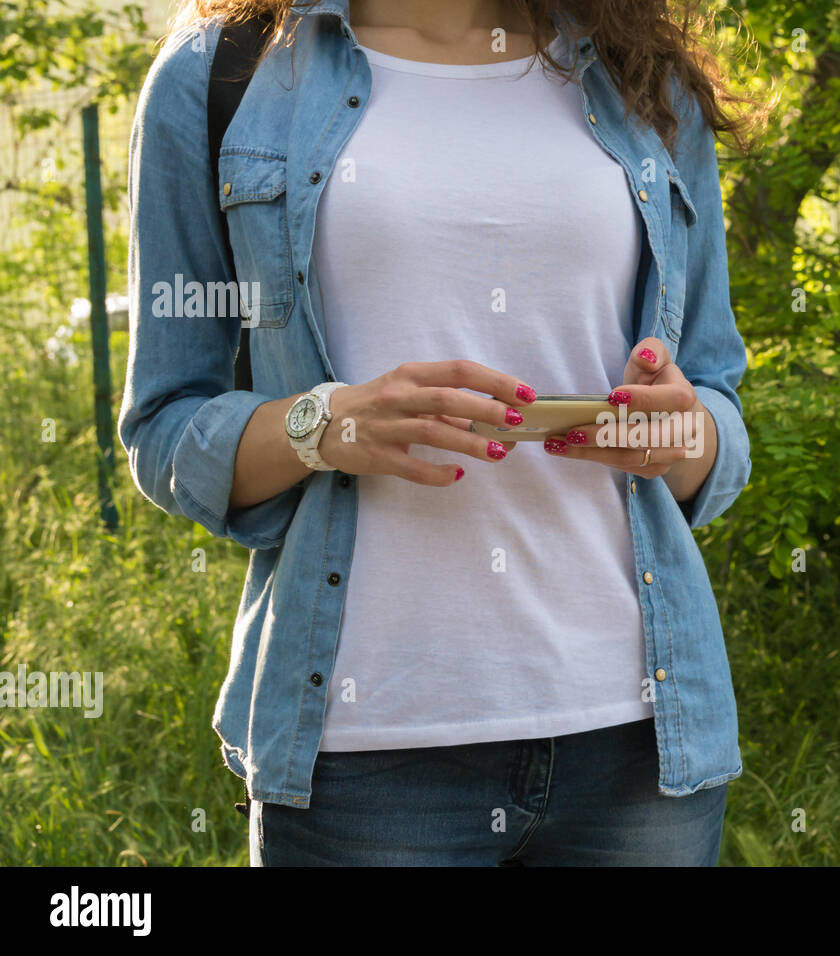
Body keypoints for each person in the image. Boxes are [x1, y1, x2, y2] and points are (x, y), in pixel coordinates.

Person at [119, 0, 753, 865]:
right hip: (362, 754)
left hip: (639, 742)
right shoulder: (222, 73)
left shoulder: (640, 70)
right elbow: (165, 425)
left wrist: (682, 435)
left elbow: (714, 403)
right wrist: (323, 424)